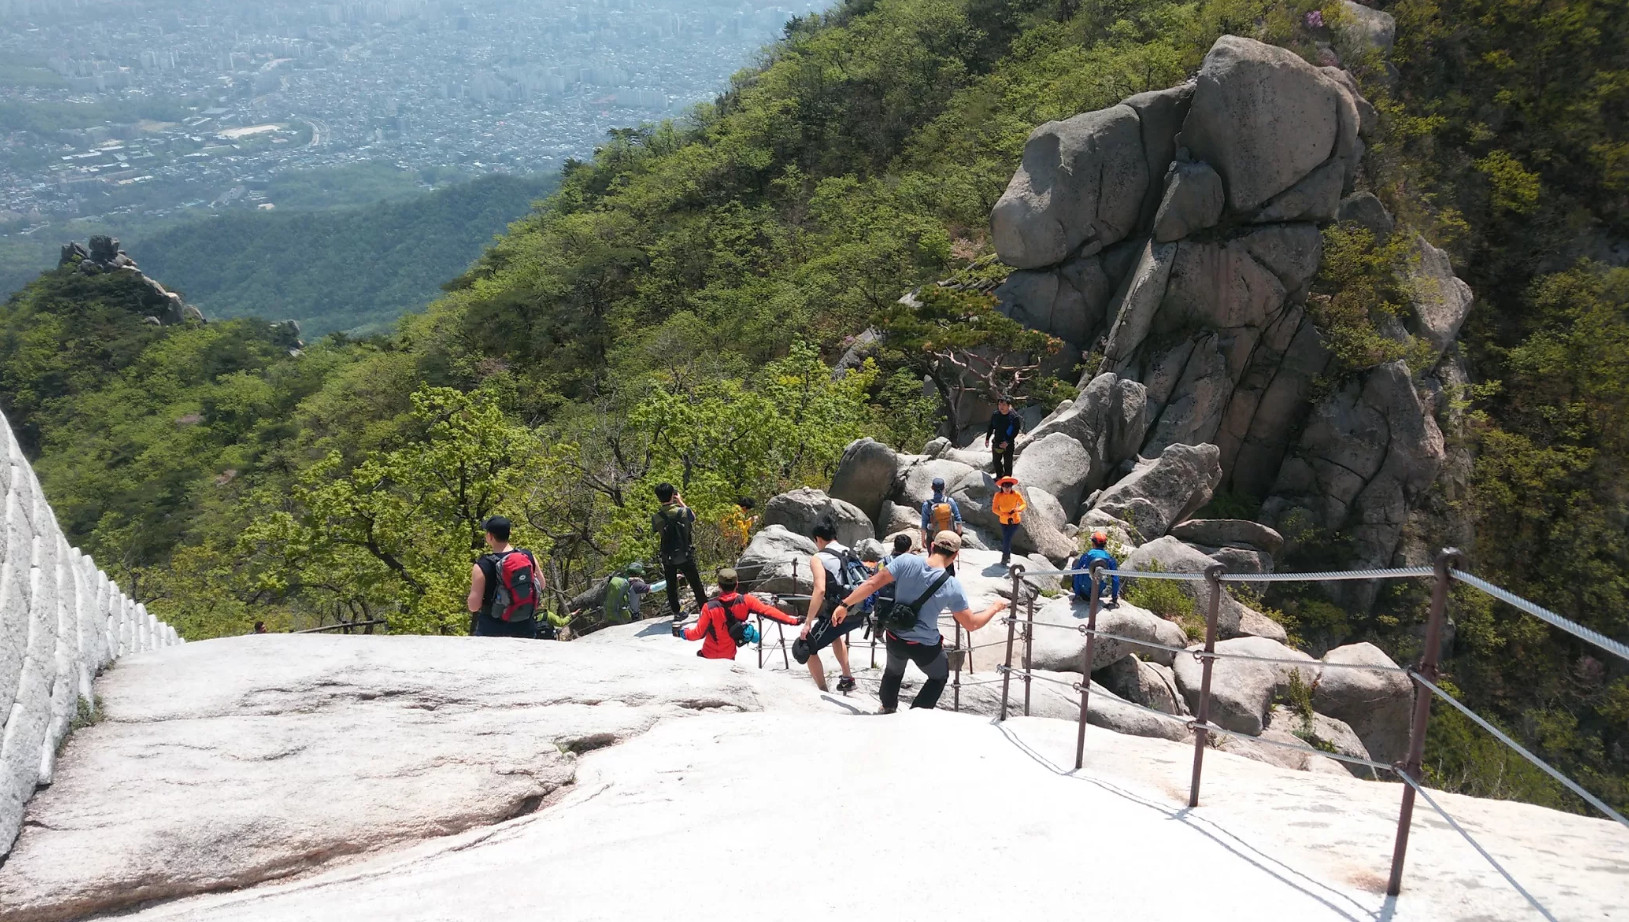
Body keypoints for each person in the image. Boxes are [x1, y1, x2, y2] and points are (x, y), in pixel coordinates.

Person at [831, 531, 1009, 713]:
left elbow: (871, 584)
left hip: (894, 635)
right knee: (939, 676)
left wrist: (845, 605)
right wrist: (995, 607)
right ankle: (917, 713)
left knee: (893, 672)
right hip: (924, 646)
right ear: (956, 555)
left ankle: (887, 707)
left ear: (931, 546)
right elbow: (972, 624)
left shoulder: (905, 561)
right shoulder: (952, 586)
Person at [797, 520, 863, 693]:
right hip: (859, 611)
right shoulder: (849, 551)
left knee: (807, 647)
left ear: (818, 539)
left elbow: (819, 590)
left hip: (837, 613)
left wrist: (808, 622)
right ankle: (847, 678)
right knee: (835, 634)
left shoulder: (818, 558)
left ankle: (822, 691)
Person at [680, 568, 801, 660]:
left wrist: (682, 633)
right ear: (736, 584)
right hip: (729, 656)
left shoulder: (709, 607)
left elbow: (697, 634)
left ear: (719, 586)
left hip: (708, 656)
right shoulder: (746, 601)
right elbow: (769, 611)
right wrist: (794, 621)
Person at [467, 515, 545, 638]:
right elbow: (542, 584)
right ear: (510, 533)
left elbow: (473, 606)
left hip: (491, 630)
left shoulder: (483, 565)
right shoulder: (527, 556)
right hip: (525, 627)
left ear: (490, 536)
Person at [652, 483, 707, 620]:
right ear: (672, 495)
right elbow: (693, 517)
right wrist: (680, 501)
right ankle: (705, 610)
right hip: (685, 553)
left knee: (671, 585)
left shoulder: (656, 517)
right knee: (696, 583)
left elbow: (657, 531)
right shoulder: (683, 511)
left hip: (667, 555)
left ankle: (677, 612)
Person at [1072, 531, 1120, 607]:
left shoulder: (1086, 556)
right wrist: (1114, 597)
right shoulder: (1109, 558)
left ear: (1093, 543)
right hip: (1098, 592)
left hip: (1083, 593)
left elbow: (1077, 573)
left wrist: (1077, 594)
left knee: (1076, 564)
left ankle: (1077, 595)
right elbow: (1115, 579)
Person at [918, 477, 963, 554]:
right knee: (948, 561)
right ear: (944, 488)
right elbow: (958, 520)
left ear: (932, 488)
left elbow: (924, 525)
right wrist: (958, 534)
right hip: (948, 537)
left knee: (933, 560)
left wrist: (923, 540)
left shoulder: (927, 505)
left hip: (933, 538)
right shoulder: (950, 501)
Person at [985, 395, 1024, 479]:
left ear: (1008, 406)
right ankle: (999, 476)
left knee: (1008, 462)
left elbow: (1015, 431)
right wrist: (987, 438)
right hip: (997, 441)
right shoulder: (995, 415)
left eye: (1003, 405)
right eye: (999, 405)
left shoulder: (1014, 417)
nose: (1001, 407)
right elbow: (991, 426)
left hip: (1008, 443)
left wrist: (1007, 442)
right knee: (996, 461)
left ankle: (1007, 480)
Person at [992, 476, 1026, 567]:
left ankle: (1005, 557)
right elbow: (994, 509)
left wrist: (1017, 509)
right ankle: (1007, 556)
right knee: (1007, 539)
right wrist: (1002, 514)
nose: (1007, 489)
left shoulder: (1016, 494)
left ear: (1011, 487)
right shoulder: (998, 495)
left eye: (1009, 486)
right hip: (1003, 521)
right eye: (1005, 487)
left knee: (1007, 538)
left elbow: (1023, 504)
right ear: (1002, 487)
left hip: (1014, 521)